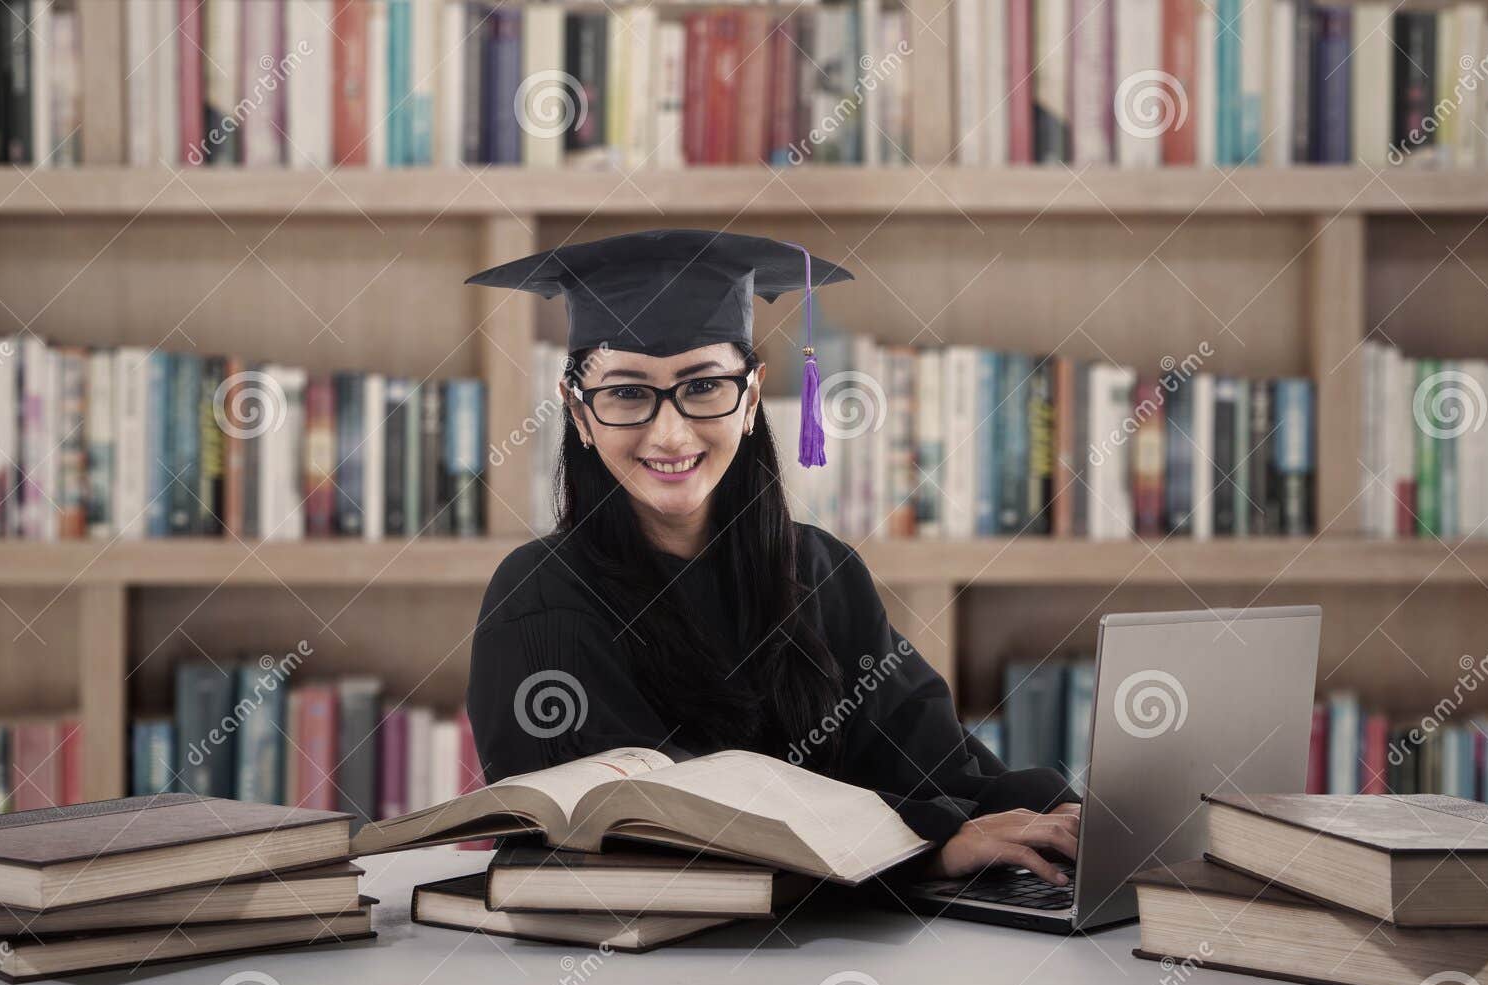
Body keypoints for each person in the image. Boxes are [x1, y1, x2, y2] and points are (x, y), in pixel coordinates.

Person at [463, 228, 1080, 885]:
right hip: (633, 970)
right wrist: (932, 843)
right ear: (578, 412)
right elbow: (651, 825)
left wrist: (1064, 815)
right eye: (627, 393)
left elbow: (938, 764)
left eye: (703, 386)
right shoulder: (539, 597)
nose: (669, 432)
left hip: (834, 955)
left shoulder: (821, 572)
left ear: (753, 395)